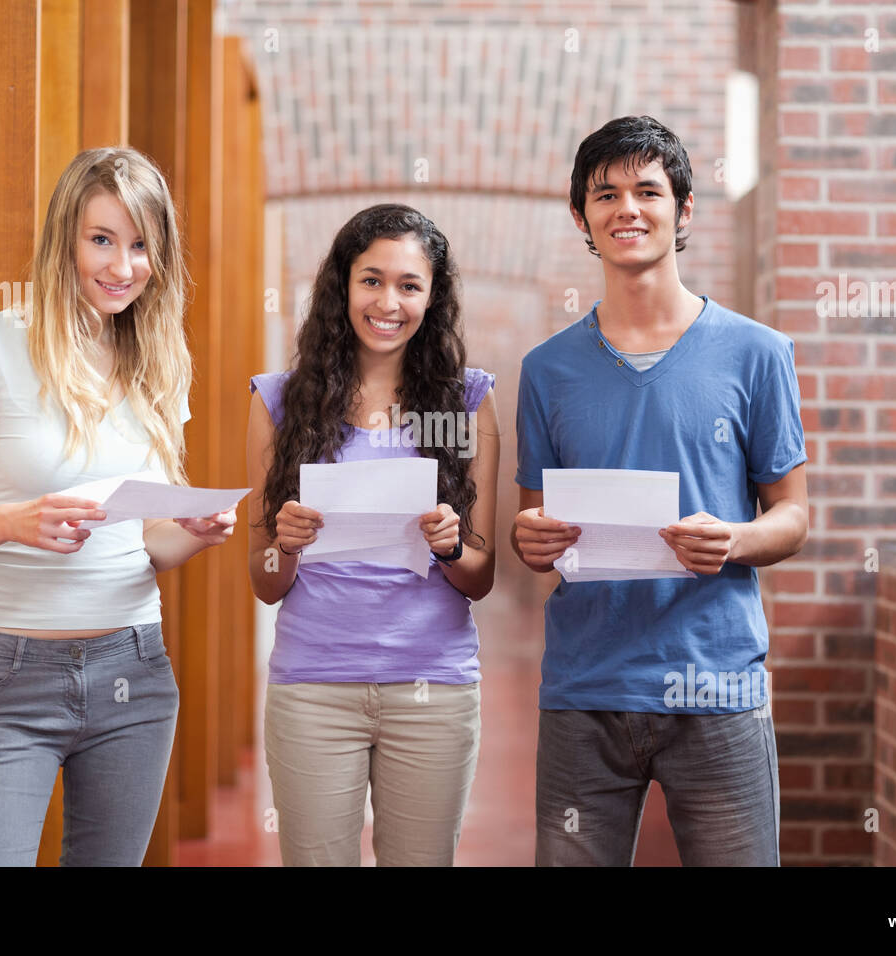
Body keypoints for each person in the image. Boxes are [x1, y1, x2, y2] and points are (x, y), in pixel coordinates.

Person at [0, 146, 236, 866]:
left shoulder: (157, 360)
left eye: (140, 246)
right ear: (65, 236)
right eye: (102, 240)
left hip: (133, 671)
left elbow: (149, 542)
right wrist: (12, 523)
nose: (121, 266)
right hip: (3, 677)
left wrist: (190, 532)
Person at [512, 115, 809, 866]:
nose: (627, 209)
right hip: (586, 688)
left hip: (716, 684)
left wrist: (734, 539)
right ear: (581, 216)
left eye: (648, 189)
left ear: (683, 208)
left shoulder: (757, 354)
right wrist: (532, 539)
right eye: (605, 194)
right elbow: (531, 528)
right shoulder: (547, 370)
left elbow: (794, 516)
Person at [246, 203, 499, 866]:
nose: (389, 301)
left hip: (432, 686)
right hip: (313, 689)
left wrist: (449, 544)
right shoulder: (279, 401)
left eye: (410, 285)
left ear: (433, 298)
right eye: (372, 280)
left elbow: (482, 574)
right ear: (343, 285)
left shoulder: (466, 403)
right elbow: (264, 580)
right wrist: (285, 541)